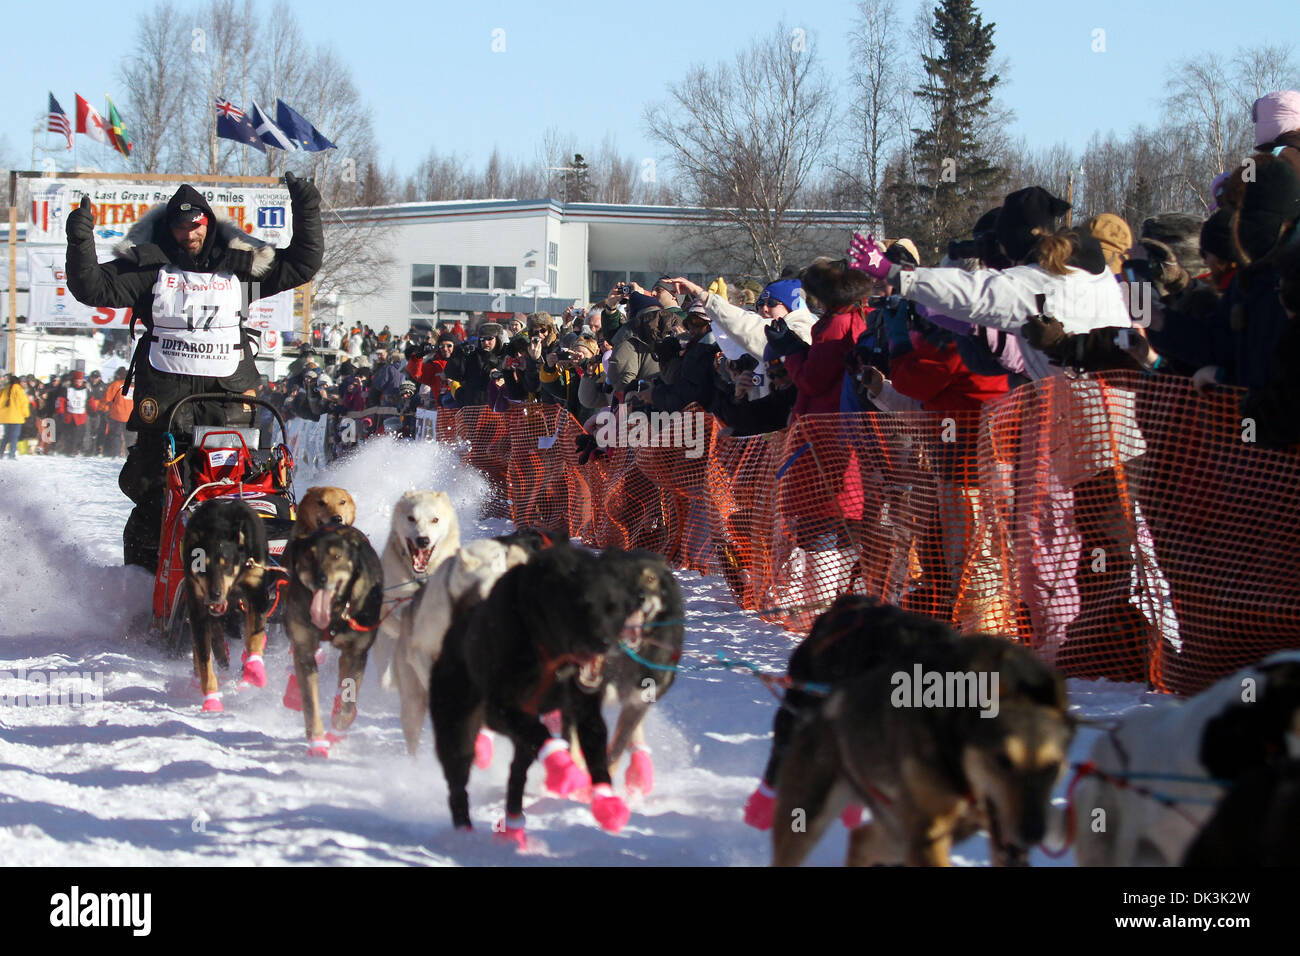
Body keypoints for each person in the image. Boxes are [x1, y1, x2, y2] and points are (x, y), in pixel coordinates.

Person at [64, 171, 323, 572]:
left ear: (209, 223)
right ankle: (146, 584)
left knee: (238, 489)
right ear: (169, 228)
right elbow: (92, 287)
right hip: (166, 406)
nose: (189, 234)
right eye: (181, 226)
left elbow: (302, 263)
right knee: (153, 496)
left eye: (196, 225)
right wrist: (80, 240)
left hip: (230, 404)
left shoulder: (239, 270)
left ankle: (246, 575)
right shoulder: (148, 269)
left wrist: (306, 208)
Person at [0, 374, 32, 458]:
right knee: (14, 436)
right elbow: (23, 404)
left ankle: (1, 453)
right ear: (20, 382)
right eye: (24, 382)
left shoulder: (5, 389)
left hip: (5, 417)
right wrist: (26, 414)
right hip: (16, 417)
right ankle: (12, 454)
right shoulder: (19, 390)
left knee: (6, 436)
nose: (25, 384)